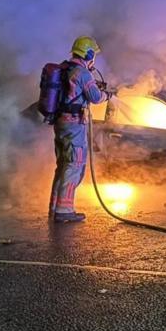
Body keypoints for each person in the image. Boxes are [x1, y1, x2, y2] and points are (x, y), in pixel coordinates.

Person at [48, 35, 108, 224]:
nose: (94, 59)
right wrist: (109, 95)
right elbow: (96, 97)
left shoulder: (64, 69)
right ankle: (64, 210)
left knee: (63, 165)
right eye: (93, 55)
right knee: (74, 165)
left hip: (60, 123)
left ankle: (55, 206)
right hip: (74, 125)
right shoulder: (82, 73)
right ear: (88, 53)